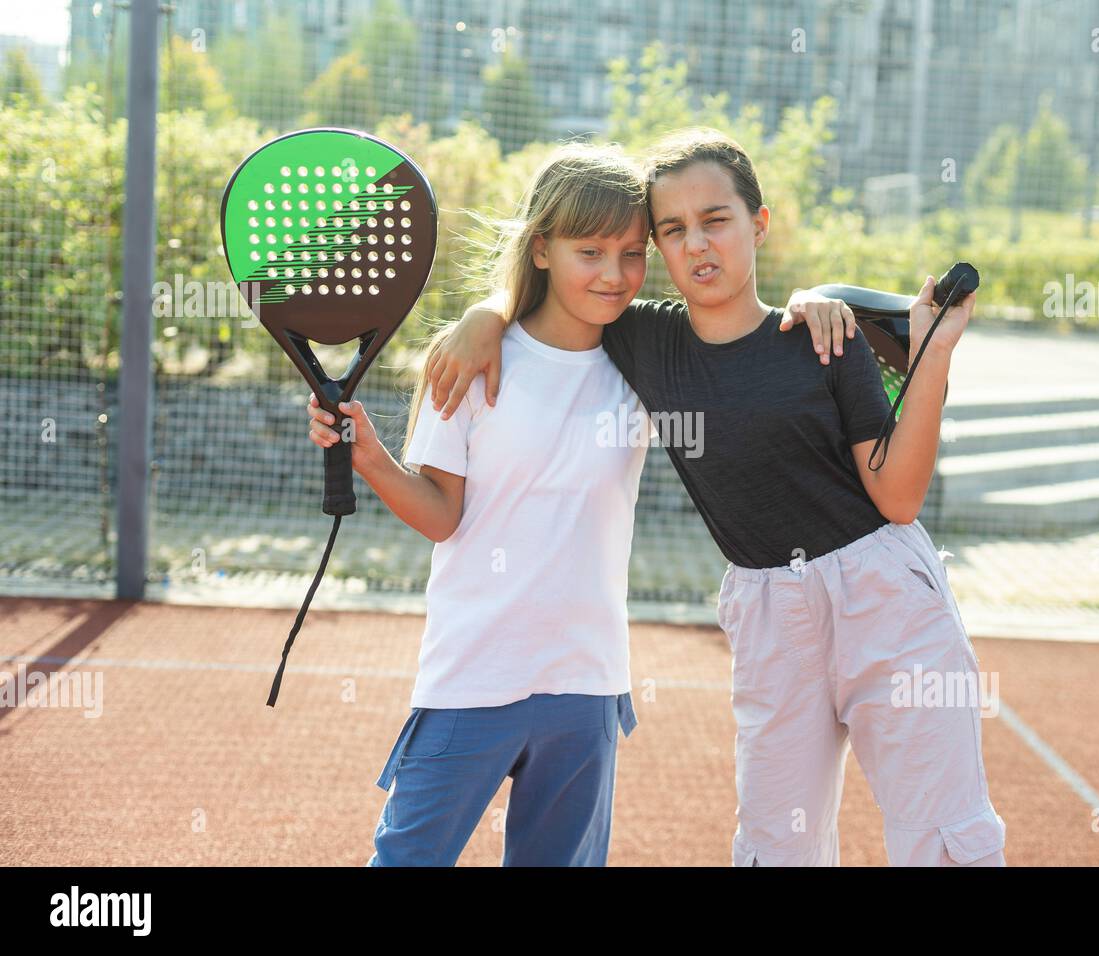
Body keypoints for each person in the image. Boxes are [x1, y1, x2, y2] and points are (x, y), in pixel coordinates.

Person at [428, 128, 1005, 867]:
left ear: (758, 224)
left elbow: (898, 496)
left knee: (943, 842)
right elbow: (557, 289)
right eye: (673, 230)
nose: (698, 245)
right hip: (769, 616)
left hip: (884, 598)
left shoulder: (825, 337)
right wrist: (485, 316)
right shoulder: (640, 339)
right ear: (657, 248)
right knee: (774, 849)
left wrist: (936, 354)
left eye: (717, 221)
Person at [307, 141, 851, 866]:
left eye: (632, 254)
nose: (614, 274)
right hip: (473, 675)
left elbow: (739, 329)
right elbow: (442, 513)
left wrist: (814, 300)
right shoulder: (472, 358)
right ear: (541, 249)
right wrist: (371, 457)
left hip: (587, 686)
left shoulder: (645, 361)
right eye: (589, 252)